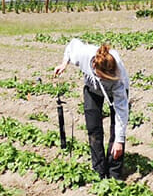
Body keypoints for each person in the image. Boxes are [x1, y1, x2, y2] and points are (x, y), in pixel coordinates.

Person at [52, 38, 130, 179]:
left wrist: (119, 140)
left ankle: (114, 175)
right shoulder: (83, 55)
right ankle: (98, 171)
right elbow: (72, 44)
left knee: (116, 133)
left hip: (116, 93)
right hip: (92, 89)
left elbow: (121, 113)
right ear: (94, 67)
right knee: (93, 129)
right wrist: (64, 62)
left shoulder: (119, 78)